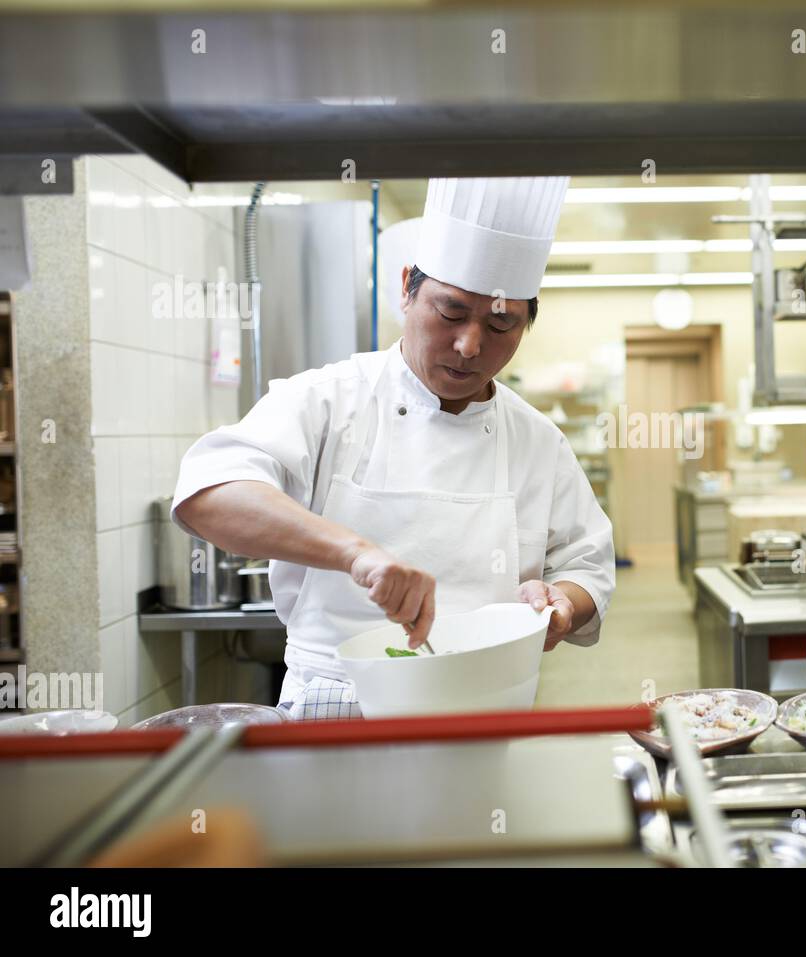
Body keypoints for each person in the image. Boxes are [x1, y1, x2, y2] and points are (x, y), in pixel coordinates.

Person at [172, 176, 614, 719]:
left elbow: (587, 564)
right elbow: (208, 494)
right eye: (451, 312)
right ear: (407, 287)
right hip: (337, 701)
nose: (469, 345)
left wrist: (561, 602)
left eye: (501, 323)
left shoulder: (537, 440)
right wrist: (356, 554)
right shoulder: (327, 400)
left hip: (491, 702)